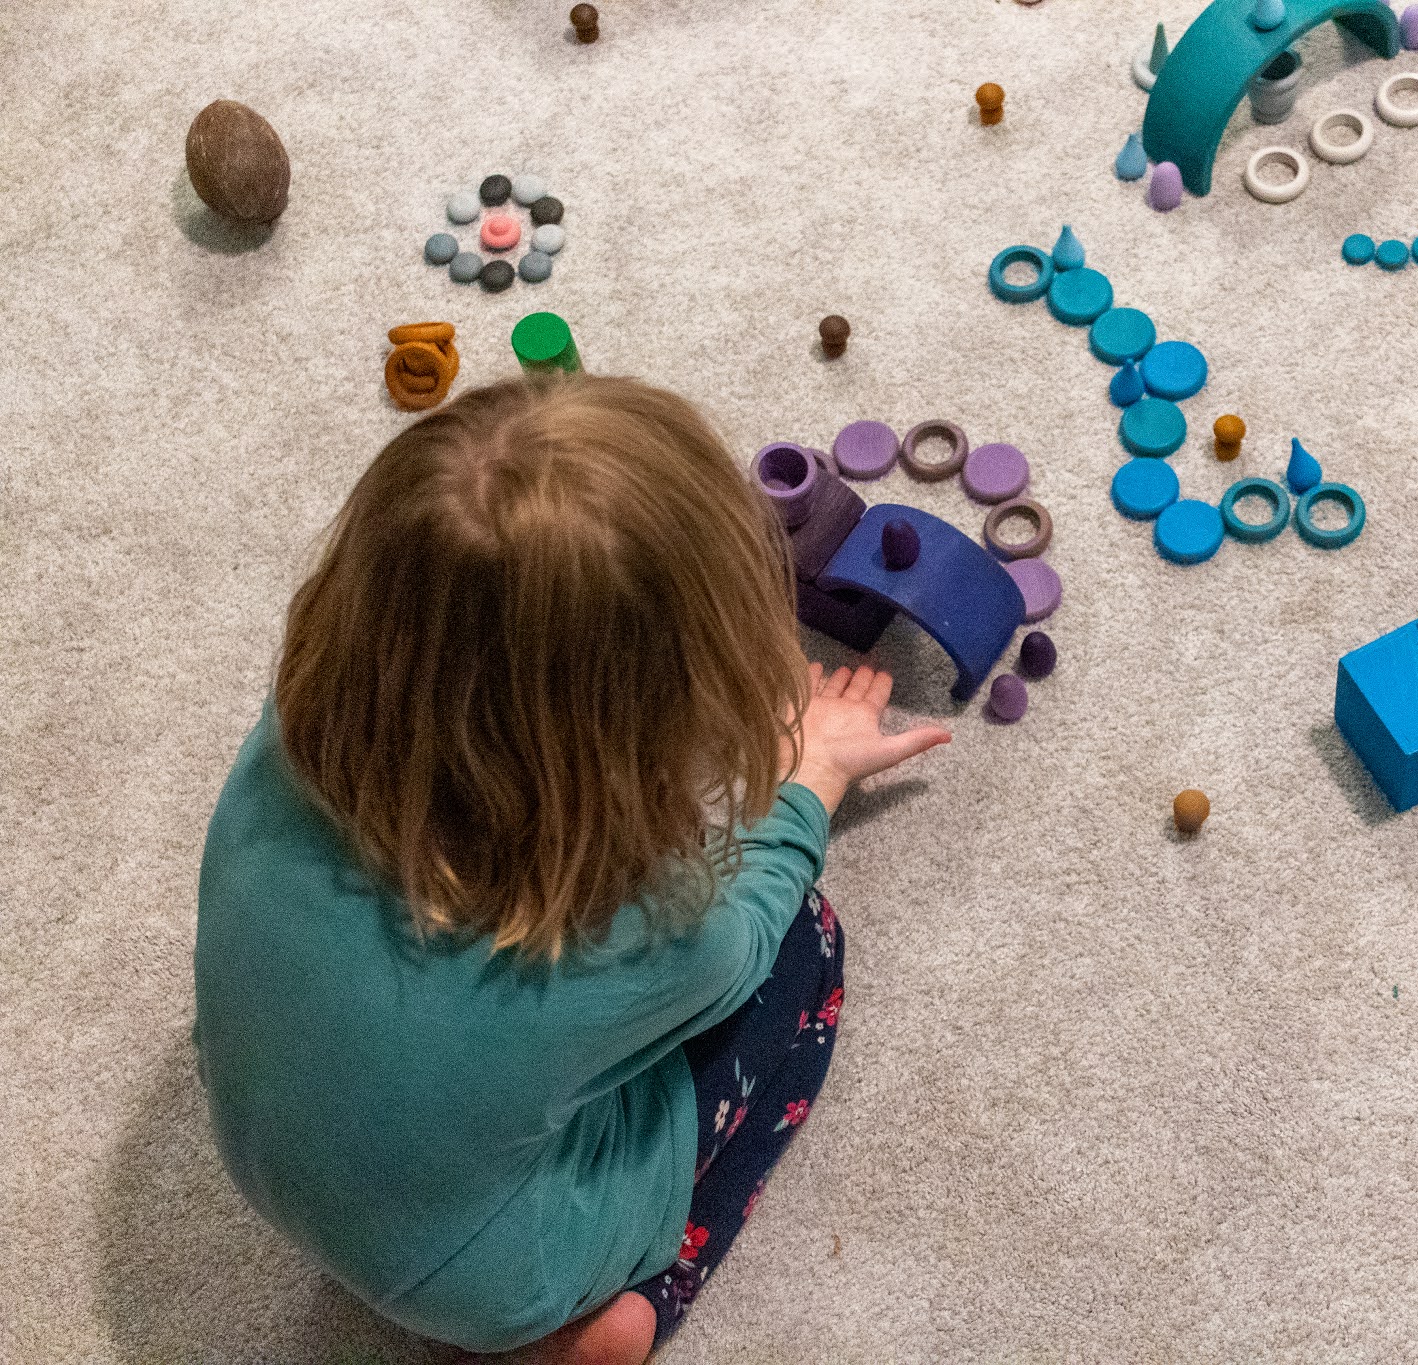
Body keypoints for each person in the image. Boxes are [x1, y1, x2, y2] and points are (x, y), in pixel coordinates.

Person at [193, 376, 948, 1362]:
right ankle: (596, 1322)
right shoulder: (643, 936)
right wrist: (806, 775)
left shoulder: (294, 723)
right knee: (803, 956)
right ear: (649, 726)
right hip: (477, 1278)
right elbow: (745, 938)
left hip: (261, 1153)